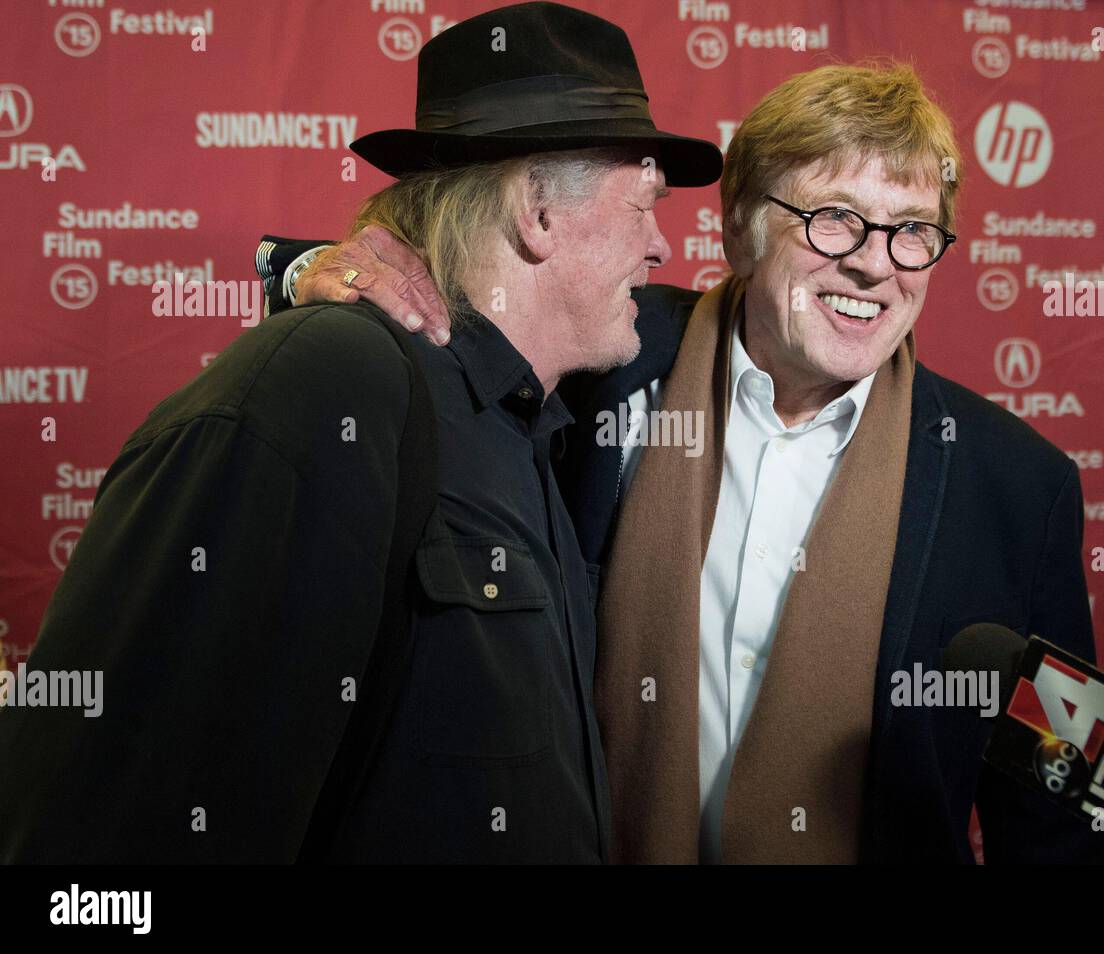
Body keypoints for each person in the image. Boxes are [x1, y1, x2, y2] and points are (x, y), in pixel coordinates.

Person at [262, 62, 1104, 864]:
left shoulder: (1018, 487)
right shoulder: (606, 353)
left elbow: (1061, 810)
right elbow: (446, 284)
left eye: (912, 231)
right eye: (836, 218)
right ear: (740, 227)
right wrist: (311, 267)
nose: (874, 262)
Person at [0, 2, 720, 863]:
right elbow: (97, 837)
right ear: (538, 211)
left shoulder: (539, 428)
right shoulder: (327, 385)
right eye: (644, 206)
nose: (663, 248)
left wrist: (295, 258)